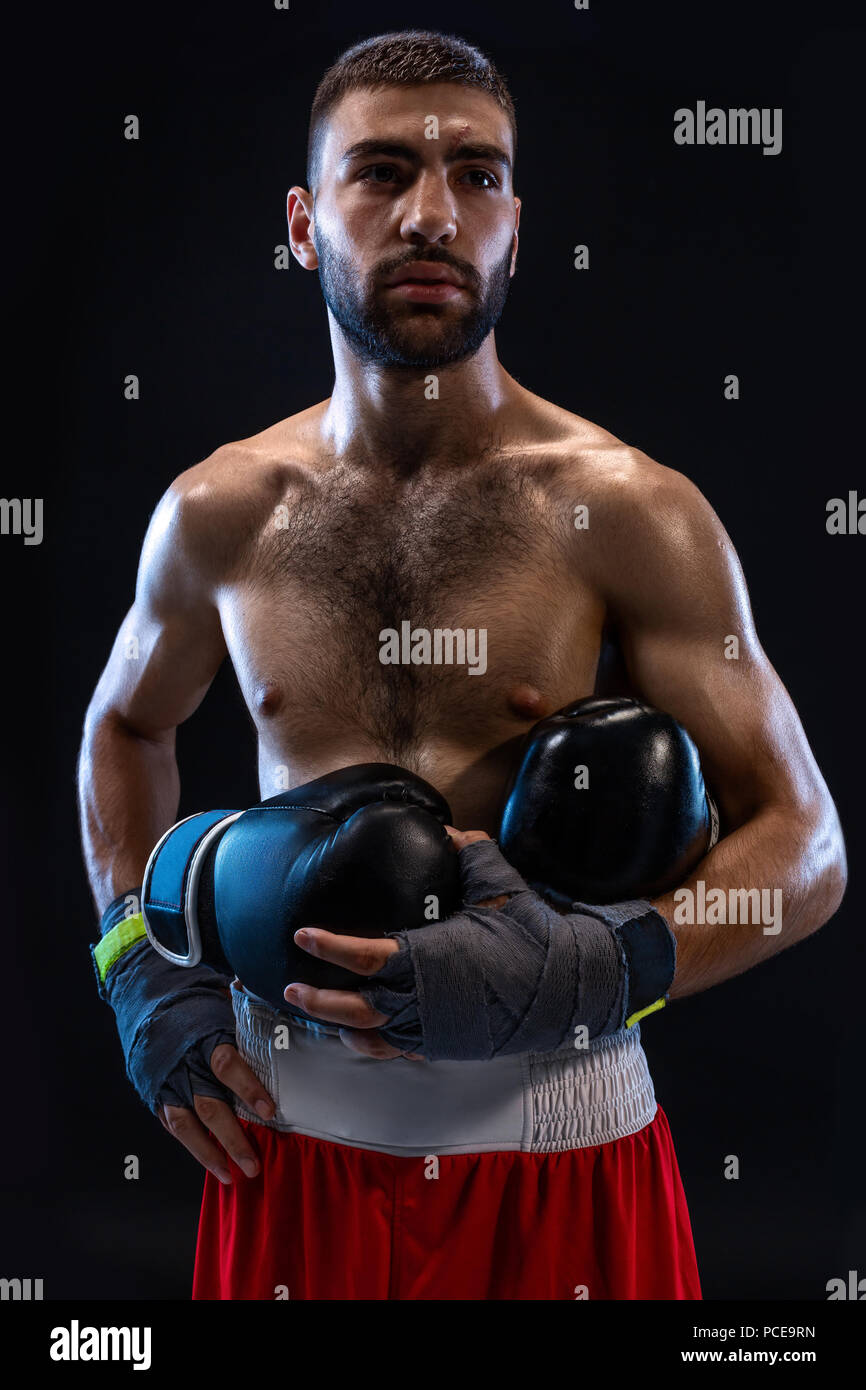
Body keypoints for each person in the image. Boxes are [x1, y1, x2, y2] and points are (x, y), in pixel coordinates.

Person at [78, 30, 846, 1301]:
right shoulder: (219, 509)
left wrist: (608, 968)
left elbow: (805, 846)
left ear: (514, 226)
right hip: (291, 1150)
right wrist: (134, 970)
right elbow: (123, 729)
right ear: (303, 223)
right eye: (379, 171)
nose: (432, 213)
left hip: (565, 1150)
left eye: (475, 176)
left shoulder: (628, 508)